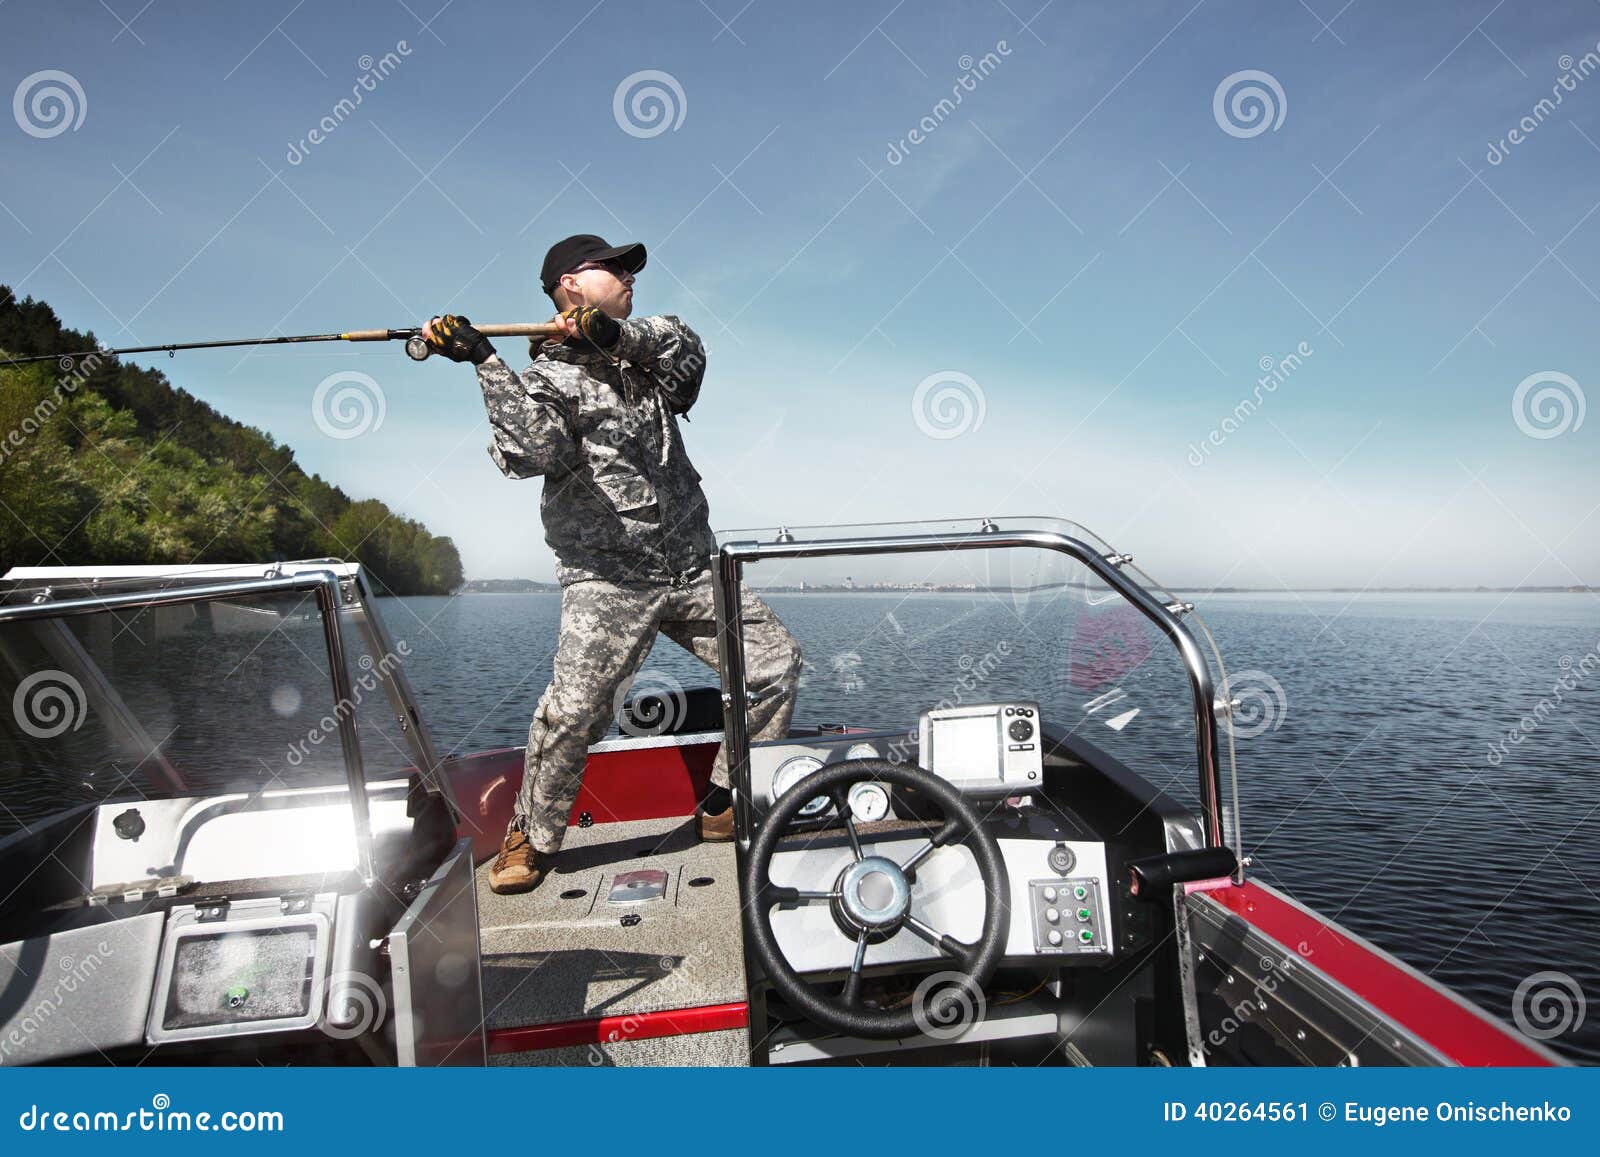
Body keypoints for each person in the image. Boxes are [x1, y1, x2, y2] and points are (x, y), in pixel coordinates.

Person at [424, 234, 803, 894]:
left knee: (773, 663)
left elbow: (688, 350)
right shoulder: (548, 379)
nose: (631, 277)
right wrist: (484, 359)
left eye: (631, 269)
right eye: (615, 268)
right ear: (569, 283)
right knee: (574, 714)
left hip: (688, 566)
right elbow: (530, 450)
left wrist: (616, 336)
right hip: (607, 578)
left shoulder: (644, 362)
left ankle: (723, 803)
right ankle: (532, 836)